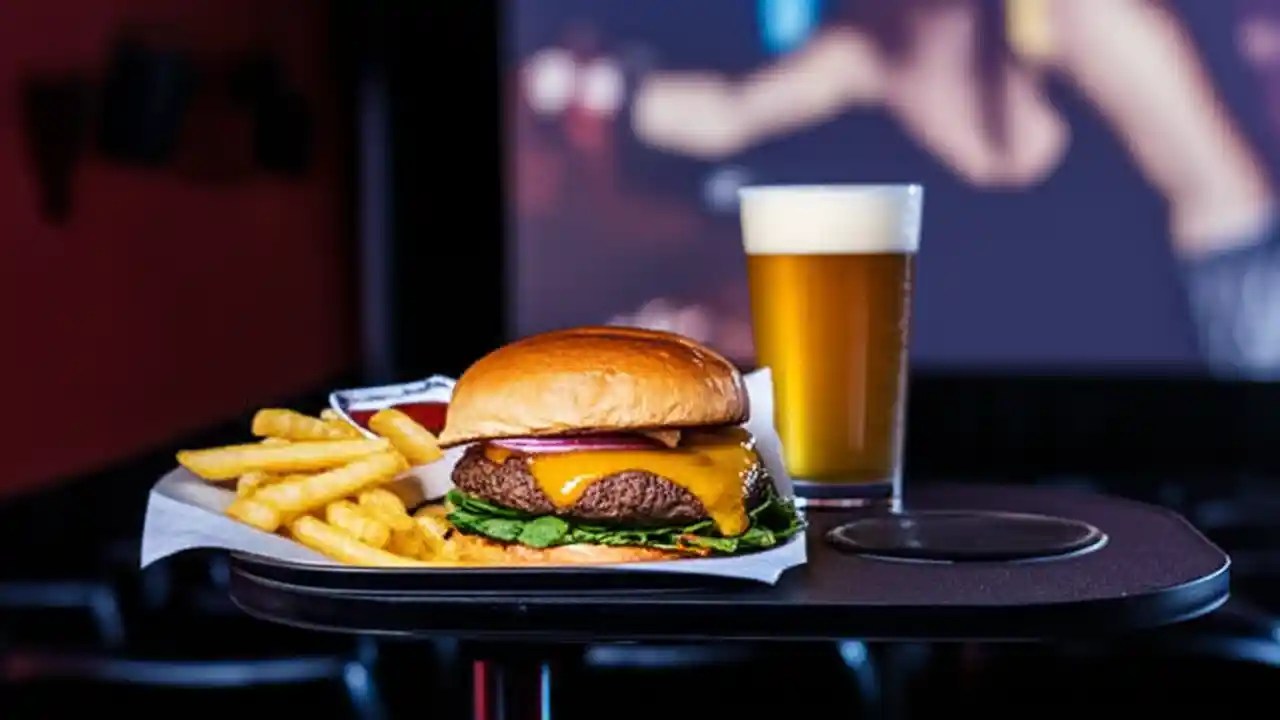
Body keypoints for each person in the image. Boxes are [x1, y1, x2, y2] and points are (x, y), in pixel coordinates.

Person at [623, 0, 1280, 378]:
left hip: (1160, 497)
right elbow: (715, 115)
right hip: (953, 521)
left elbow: (1245, 266)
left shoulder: (1088, 33)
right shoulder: (845, 92)